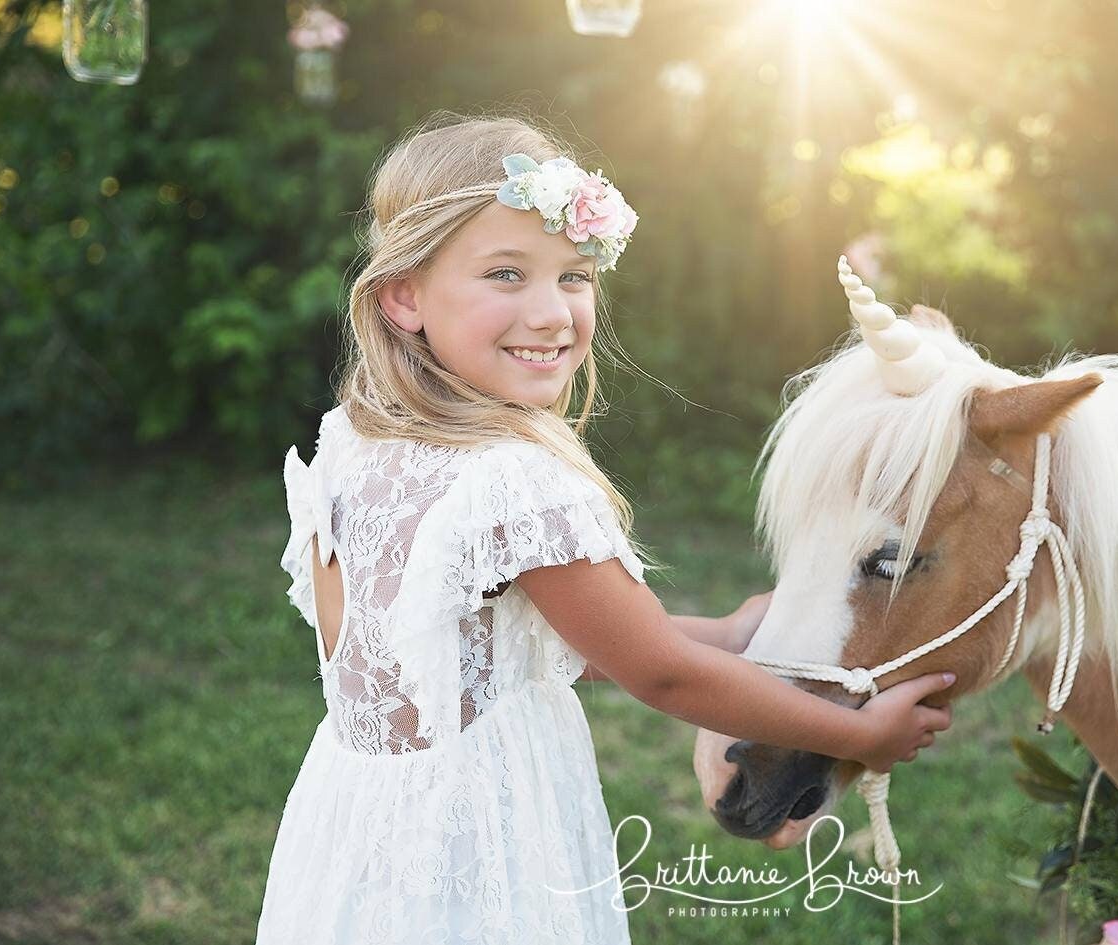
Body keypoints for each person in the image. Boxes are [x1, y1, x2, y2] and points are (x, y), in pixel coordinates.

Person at [255, 110, 955, 945]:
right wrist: (860, 731)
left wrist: (730, 630)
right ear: (404, 294)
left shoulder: (357, 441)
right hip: (481, 837)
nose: (553, 313)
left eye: (575, 275)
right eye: (507, 274)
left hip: (358, 826)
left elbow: (495, 647)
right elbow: (660, 674)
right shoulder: (509, 480)